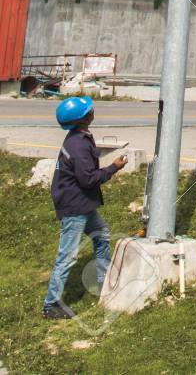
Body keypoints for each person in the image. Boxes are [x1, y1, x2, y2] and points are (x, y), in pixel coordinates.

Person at [43, 95, 127, 320]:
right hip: (75, 206)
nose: (92, 111)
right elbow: (88, 179)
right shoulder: (79, 144)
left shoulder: (77, 137)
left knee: (102, 235)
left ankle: (103, 281)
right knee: (68, 255)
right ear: (82, 118)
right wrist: (113, 167)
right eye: (89, 110)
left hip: (82, 203)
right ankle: (51, 304)